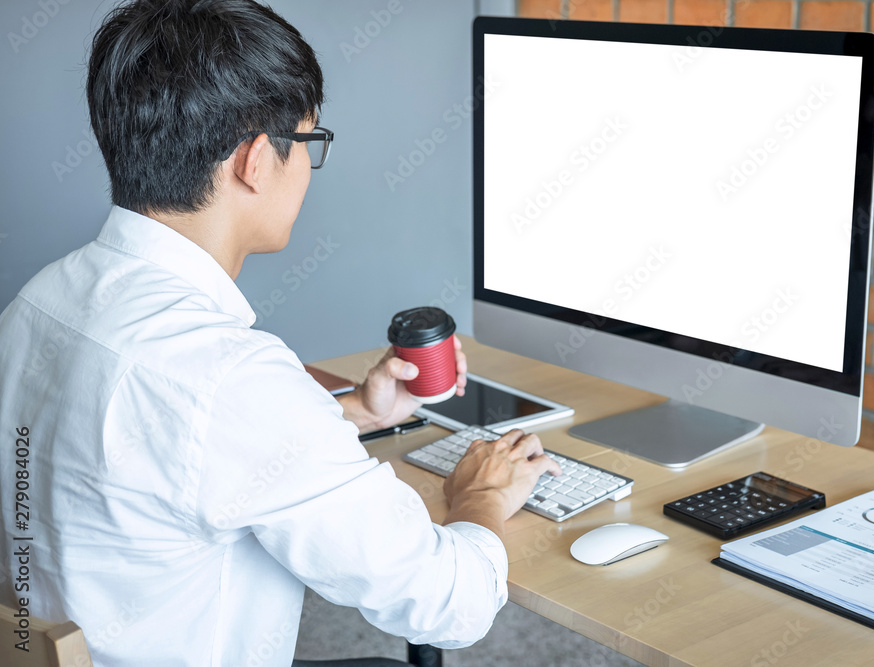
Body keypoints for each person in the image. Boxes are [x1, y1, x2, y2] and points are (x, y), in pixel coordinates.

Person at [0, 1, 560, 665]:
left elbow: (176, 452)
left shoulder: (38, 303)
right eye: (309, 143)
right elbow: (450, 604)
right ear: (258, 160)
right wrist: (482, 497)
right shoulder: (226, 376)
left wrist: (349, 412)